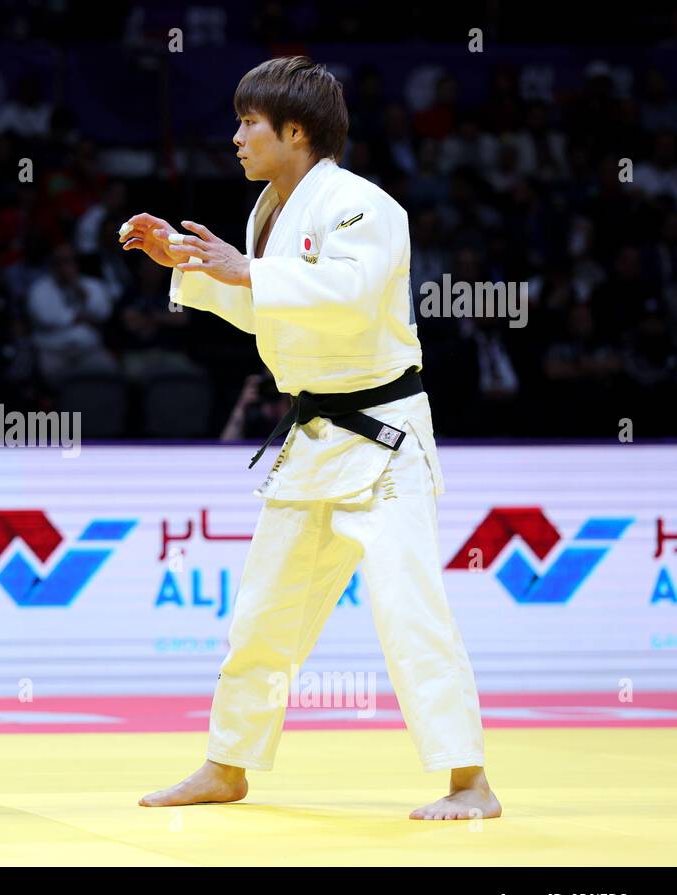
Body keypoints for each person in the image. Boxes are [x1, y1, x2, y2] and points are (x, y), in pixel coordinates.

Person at [121, 56, 499, 821]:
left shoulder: (364, 206)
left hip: (384, 436)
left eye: (249, 123)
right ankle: (227, 764)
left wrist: (244, 269)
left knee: (408, 607)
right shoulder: (269, 210)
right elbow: (276, 313)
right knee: (263, 615)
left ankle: (471, 781)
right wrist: (196, 267)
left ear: (295, 131)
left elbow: (350, 299)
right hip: (314, 434)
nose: (235, 138)